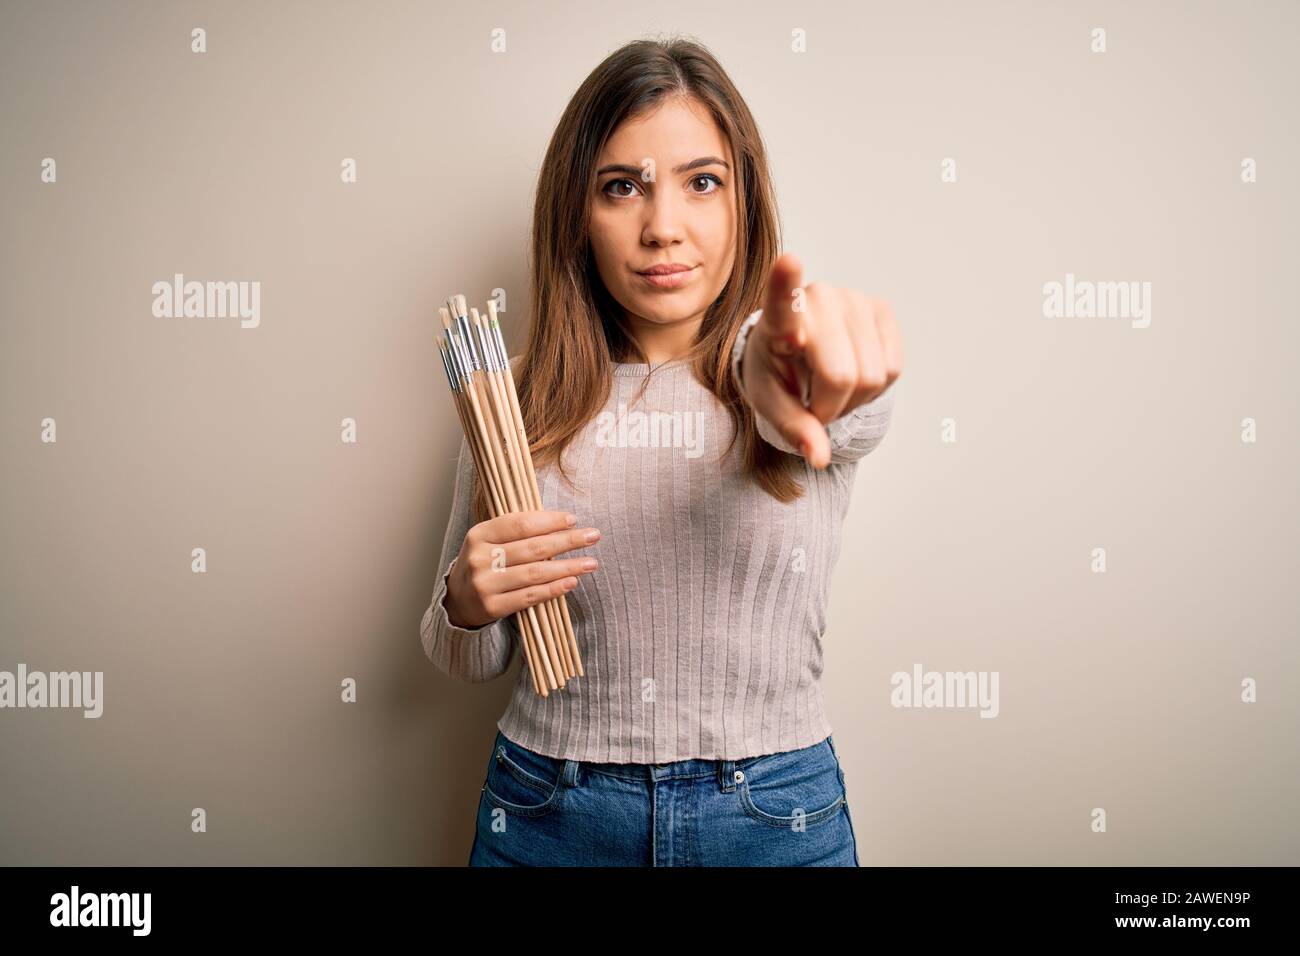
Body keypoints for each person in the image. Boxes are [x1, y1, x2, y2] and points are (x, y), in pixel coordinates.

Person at [420, 36, 902, 866]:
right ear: (578, 213)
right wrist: (466, 600)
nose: (662, 227)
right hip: (548, 809)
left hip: (773, 812)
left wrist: (793, 372)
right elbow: (461, 652)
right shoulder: (516, 394)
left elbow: (825, 401)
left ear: (742, 201)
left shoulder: (786, 364)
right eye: (621, 187)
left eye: (701, 182)